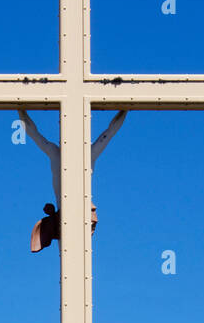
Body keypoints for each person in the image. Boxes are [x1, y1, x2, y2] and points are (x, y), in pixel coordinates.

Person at [19, 107, 127, 252]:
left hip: (80, 215)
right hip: (61, 217)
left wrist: (124, 109)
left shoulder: (87, 154)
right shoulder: (55, 152)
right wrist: (21, 111)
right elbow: (33, 133)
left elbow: (110, 131)